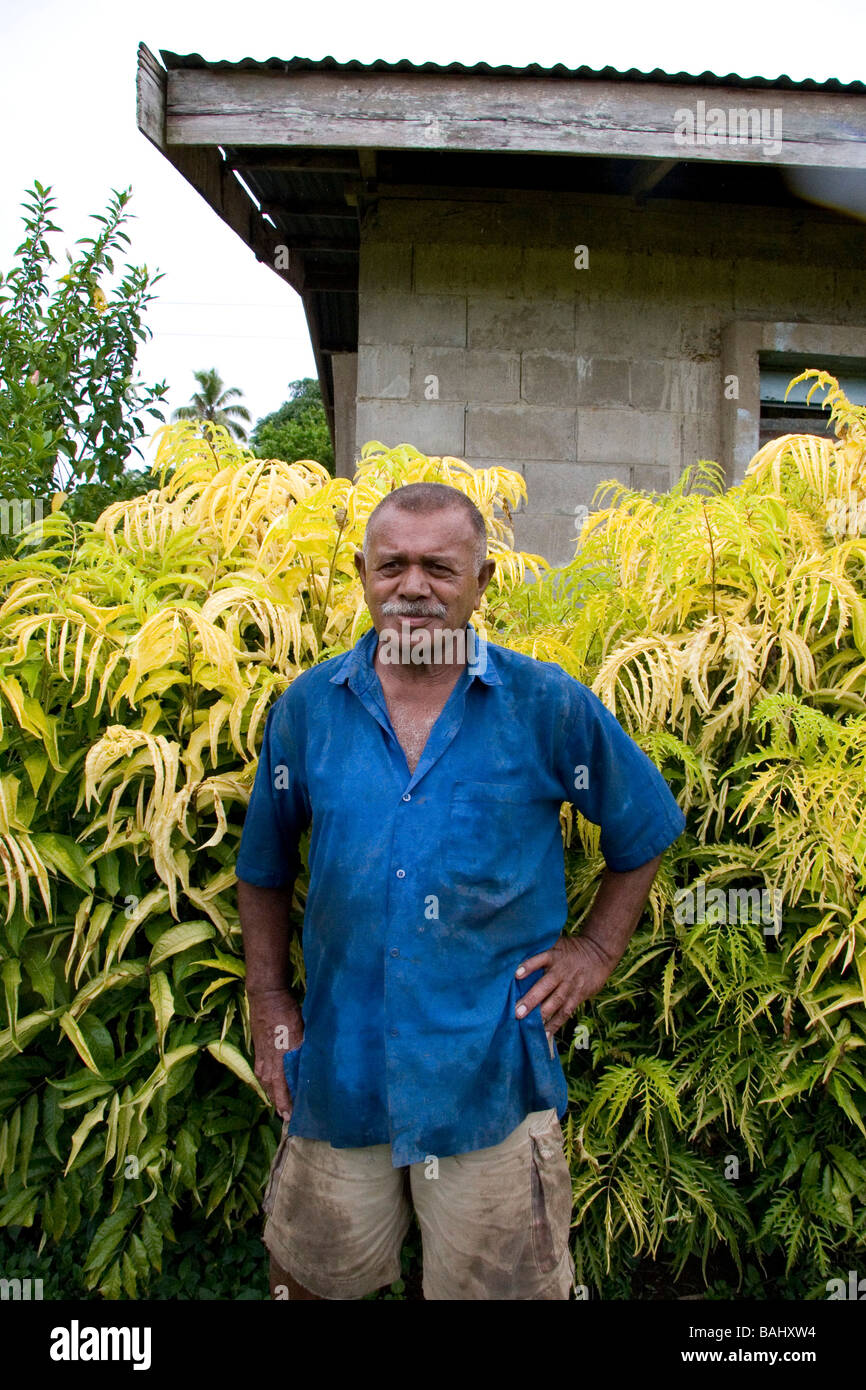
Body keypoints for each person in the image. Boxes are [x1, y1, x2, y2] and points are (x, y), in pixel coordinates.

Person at [236, 481, 685, 1301]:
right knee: (309, 1283)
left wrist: (595, 950)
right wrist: (268, 998)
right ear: (363, 575)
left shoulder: (545, 706)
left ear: (482, 583)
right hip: (340, 1073)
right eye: (391, 566)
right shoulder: (308, 712)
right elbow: (264, 869)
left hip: (490, 1081)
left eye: (440, 568)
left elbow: (645, 828)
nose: (413, 588)